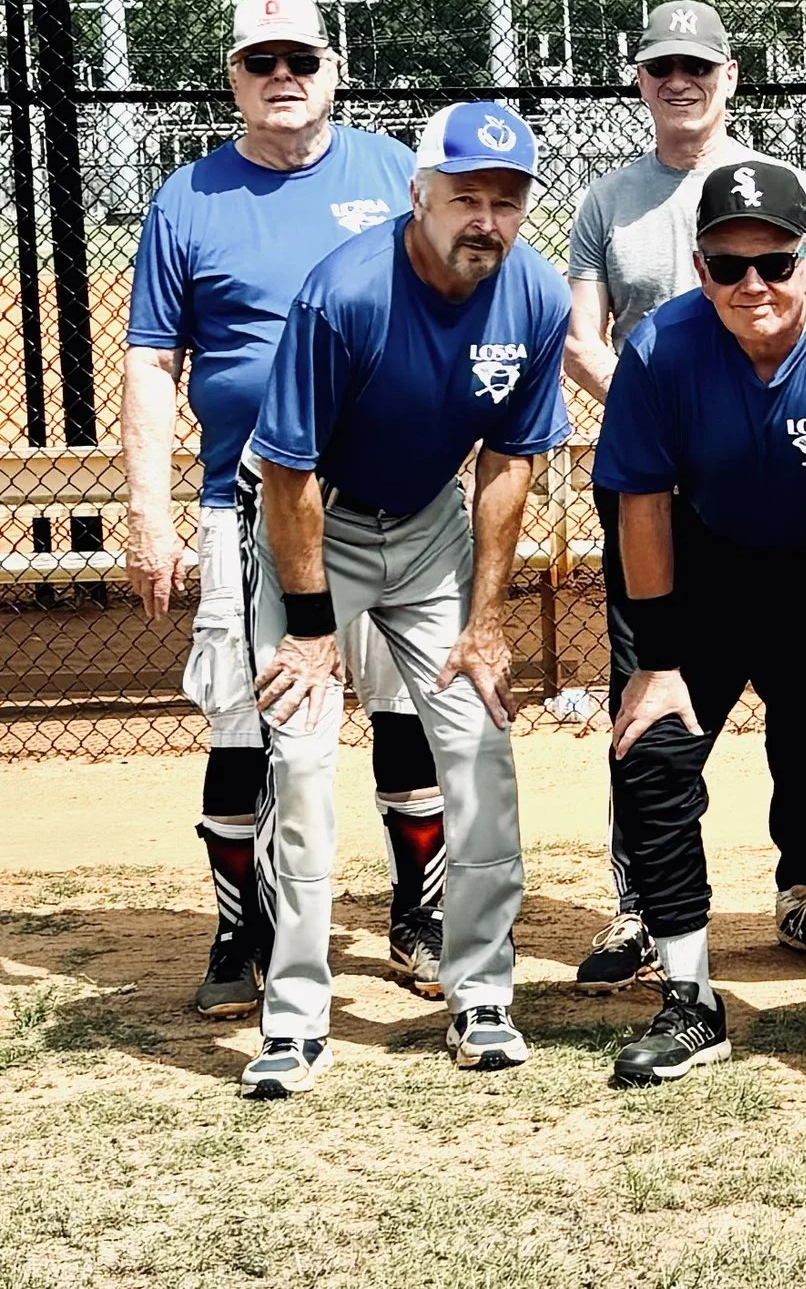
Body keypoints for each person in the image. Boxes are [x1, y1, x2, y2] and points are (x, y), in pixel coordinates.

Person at [234, 102, 571, 1098]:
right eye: (465, 196)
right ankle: (294, 1015)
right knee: (299, 763)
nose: (487, 219)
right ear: (417, 195)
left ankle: (481, 996)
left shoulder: (536, 295)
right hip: (316, 523)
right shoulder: (346, 294)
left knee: (478, 748)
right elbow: (288, 475)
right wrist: (308, 634)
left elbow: (510, 462)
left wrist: (485, 618)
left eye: (506, 201)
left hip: (429, 528)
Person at [120, 0, 445, 1020]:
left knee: (404, 709)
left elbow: (450, 306)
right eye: (260, 62)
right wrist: (150, 513)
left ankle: (419, 911)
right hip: (244, 502)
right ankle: (239, 929)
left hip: (387, 498)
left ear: (332, 69)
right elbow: (149, 360)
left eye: (299, 59)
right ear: (234, 79)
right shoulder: (189, 198)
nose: (282, 78)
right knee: (240, 719)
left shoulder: (395, 177)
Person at [595, 161, 806, 1085]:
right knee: (655, 747)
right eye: (727, 263)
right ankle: (689, 997)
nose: (753, 284)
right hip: (718, 561)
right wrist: (656, 659)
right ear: (698, 266)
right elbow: (640, 502)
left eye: (776, 262)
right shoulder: (662, 349)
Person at [561, 0, 806, 994]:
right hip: (654, 485)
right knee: (646, 684)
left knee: (792, 687)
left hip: (770, 476)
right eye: (660, 68)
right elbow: (582, 335)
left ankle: (803, 883)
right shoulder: (610, 200)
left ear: (730, 74)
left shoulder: (782, 183)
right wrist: (662, 424)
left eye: (697, 66)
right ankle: (640, 902)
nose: (678, 81)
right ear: (639, 81)